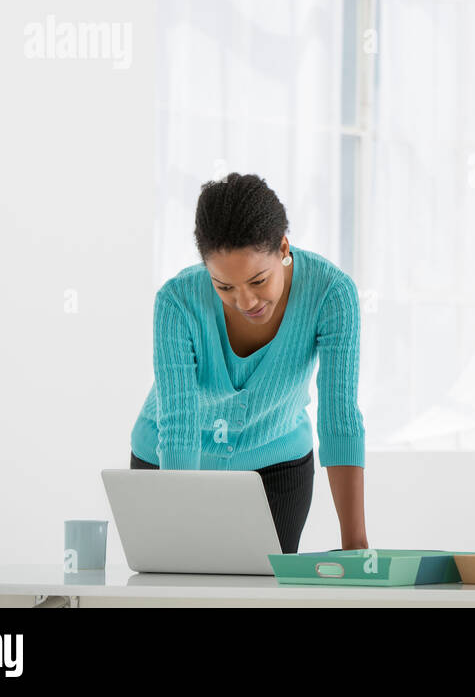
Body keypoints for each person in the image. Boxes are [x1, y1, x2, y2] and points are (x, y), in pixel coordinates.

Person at [129, 172, 367, 553]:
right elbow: (178, 427)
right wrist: (177, 533)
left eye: (258, 281)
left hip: (276, 467)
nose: (246, 302)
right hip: (168, 462)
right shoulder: (176, 302)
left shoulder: (331, 294)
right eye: (224, 287)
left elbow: (340, 419)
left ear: (284, 247)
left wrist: (356, 546)